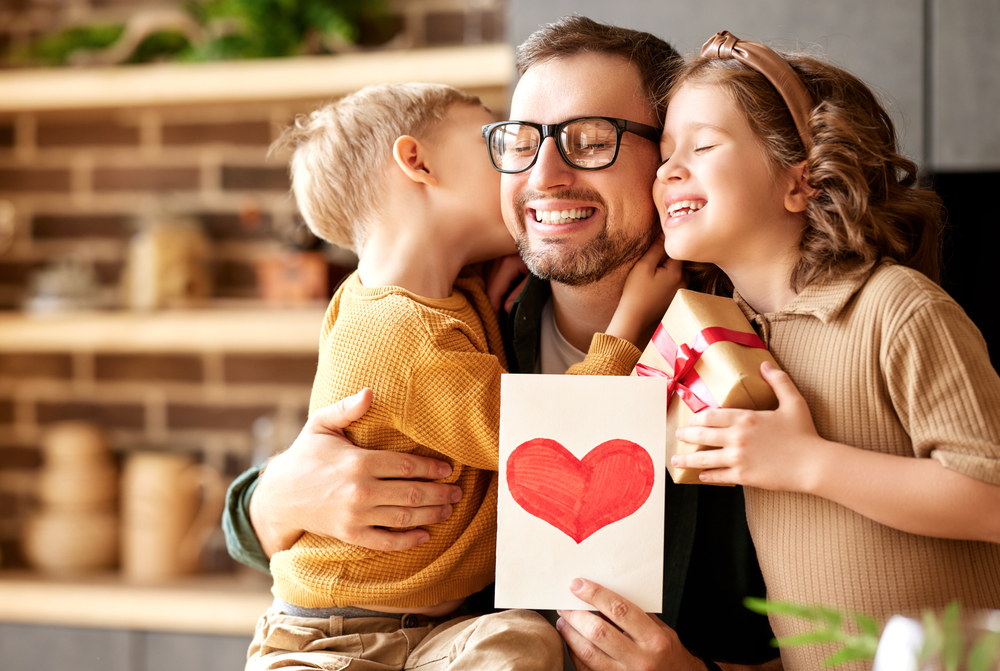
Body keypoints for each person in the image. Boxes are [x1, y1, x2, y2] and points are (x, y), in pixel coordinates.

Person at [225, 17, 781, 670]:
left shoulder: (747, 354)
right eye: (516, 144)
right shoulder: (461, 316)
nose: (544, 175)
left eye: (591, 140)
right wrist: (269, 501)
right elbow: (345, 465)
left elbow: (870, 633)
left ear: (669, 161)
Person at [655, 31, 1000, 669]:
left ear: (801, 182)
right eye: (665, 152)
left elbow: (990, 498)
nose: (669, 168)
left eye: (702, 145)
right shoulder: (727, 337)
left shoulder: (896, 309)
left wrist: (808, 463)